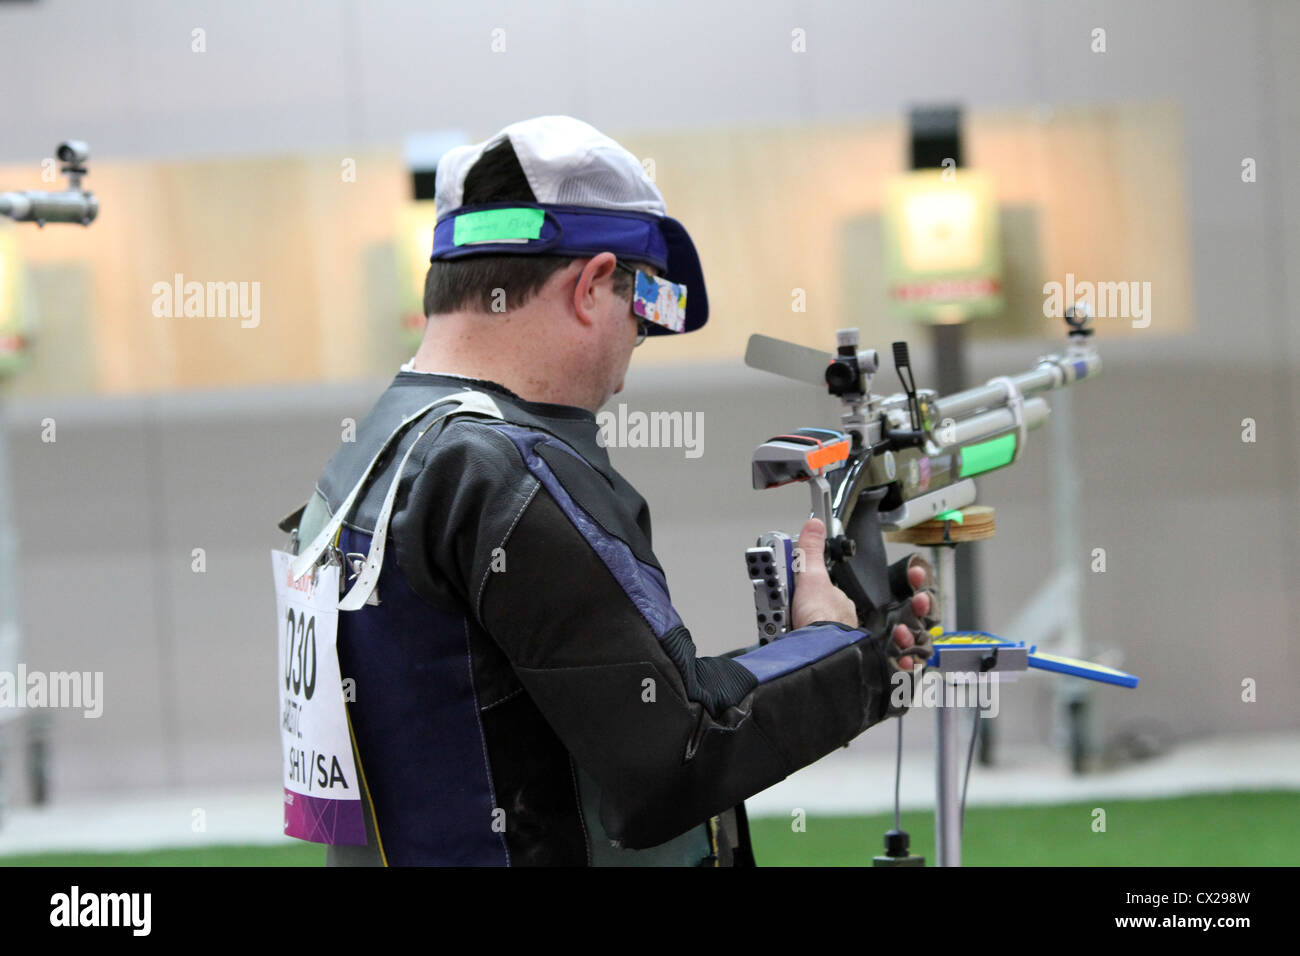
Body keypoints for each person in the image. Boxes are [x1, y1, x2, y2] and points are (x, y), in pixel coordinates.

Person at [281, 116, 936, 866]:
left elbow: (575, 710)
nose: (632, 354)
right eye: (643, 314)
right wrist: (847, 652)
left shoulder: (372, 456)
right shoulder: (501, 471)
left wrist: (805, 653)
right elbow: (675, 755)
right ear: (593, 285)